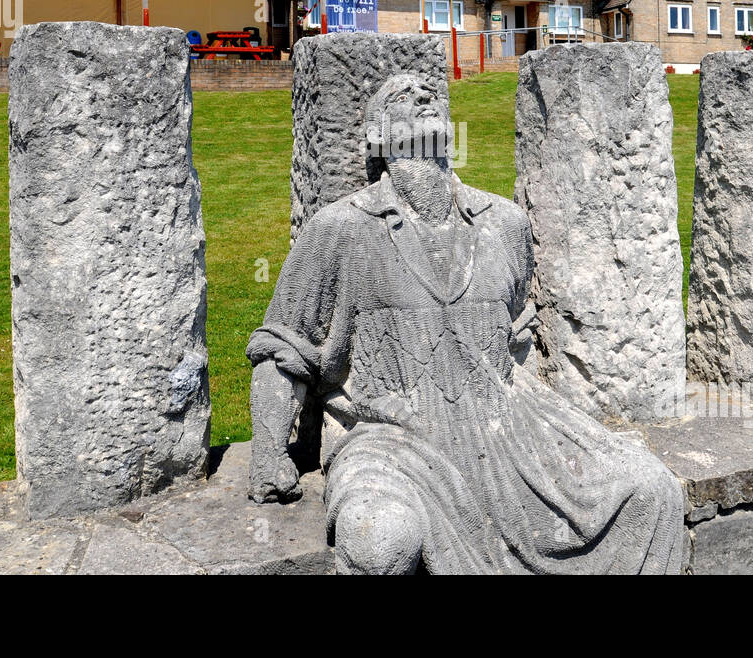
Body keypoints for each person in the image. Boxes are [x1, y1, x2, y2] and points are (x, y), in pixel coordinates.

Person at [246, 75, 685, 575]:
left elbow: (514, 341)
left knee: (650, 489)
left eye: (430, 94)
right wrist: (268, 458)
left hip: (507, 427)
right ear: (376, 135)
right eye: (401, 96)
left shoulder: (505, 222)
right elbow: (280, 350)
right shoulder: (339, 229)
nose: (422, 96)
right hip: (389, 439)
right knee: (381, 541)